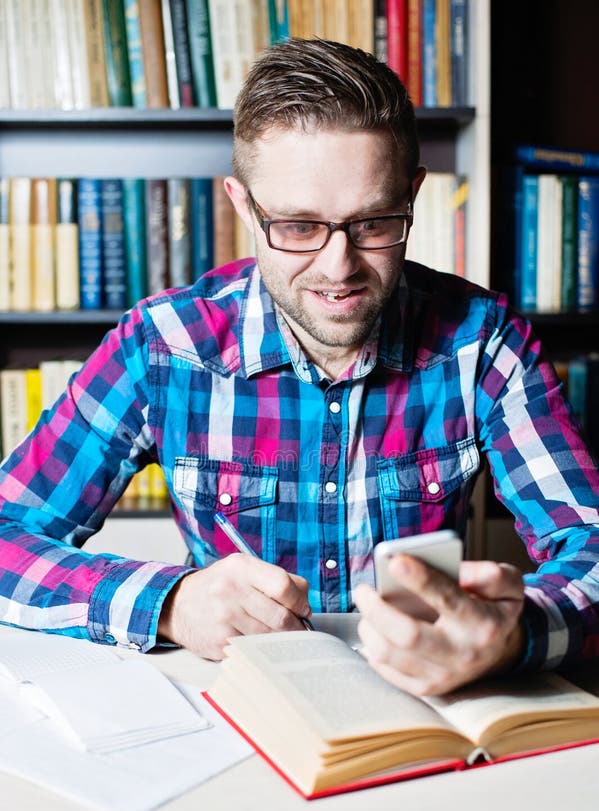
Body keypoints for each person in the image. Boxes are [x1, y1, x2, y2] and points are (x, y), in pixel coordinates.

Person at [0, 39, 598, 696]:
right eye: (296, 226)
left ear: (412, 194)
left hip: (432, 707)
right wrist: (169, 603)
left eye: (373, 223)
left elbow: (590, 541)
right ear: (241, 206)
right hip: (238, 710)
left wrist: (515, 632)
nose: (337, 267)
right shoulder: (161, 344)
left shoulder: (483, 341)